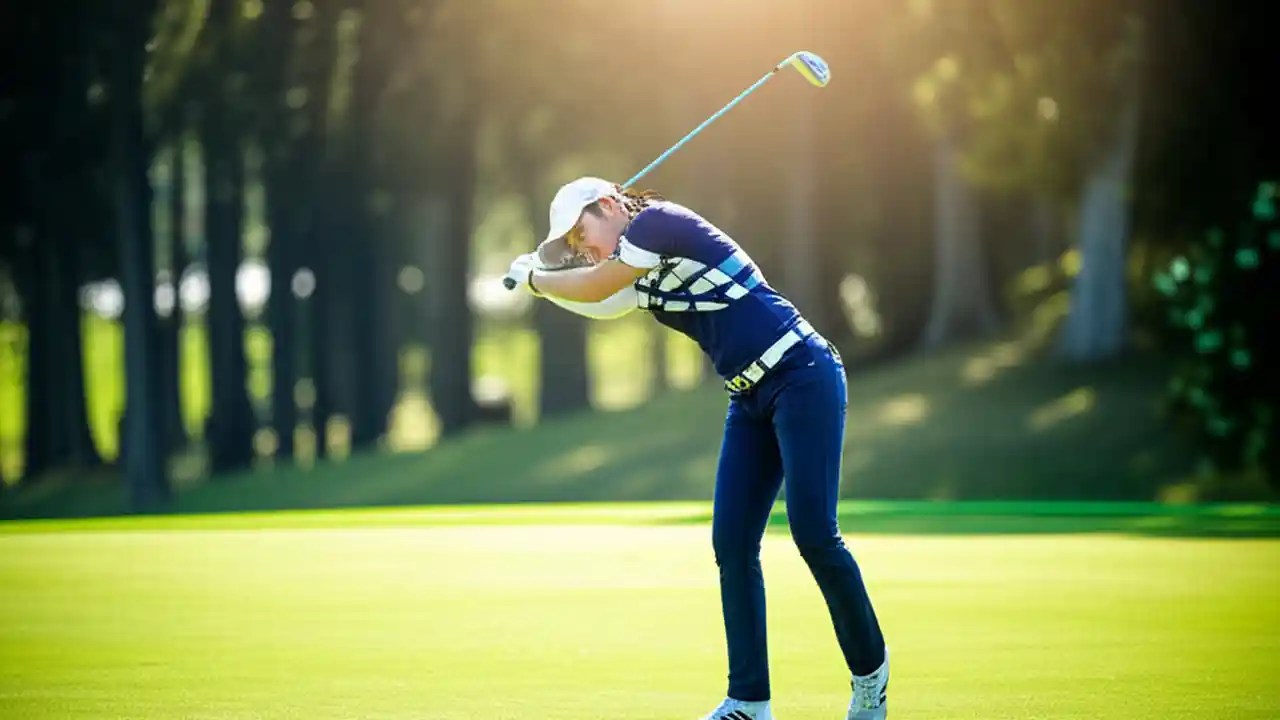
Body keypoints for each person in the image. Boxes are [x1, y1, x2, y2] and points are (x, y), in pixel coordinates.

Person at [505, 177, 889, 720]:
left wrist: (537, 280)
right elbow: (604, 302)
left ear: (609, 205)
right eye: (572, 245)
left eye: (581, 234)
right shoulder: (639, 267)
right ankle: (749, 701)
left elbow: (594, 287)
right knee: (732, 543)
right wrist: (541, 284)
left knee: (814, 534)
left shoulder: (657, 224)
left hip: (803, 373)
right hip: (749, 397)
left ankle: (871, 676)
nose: (582, 249)